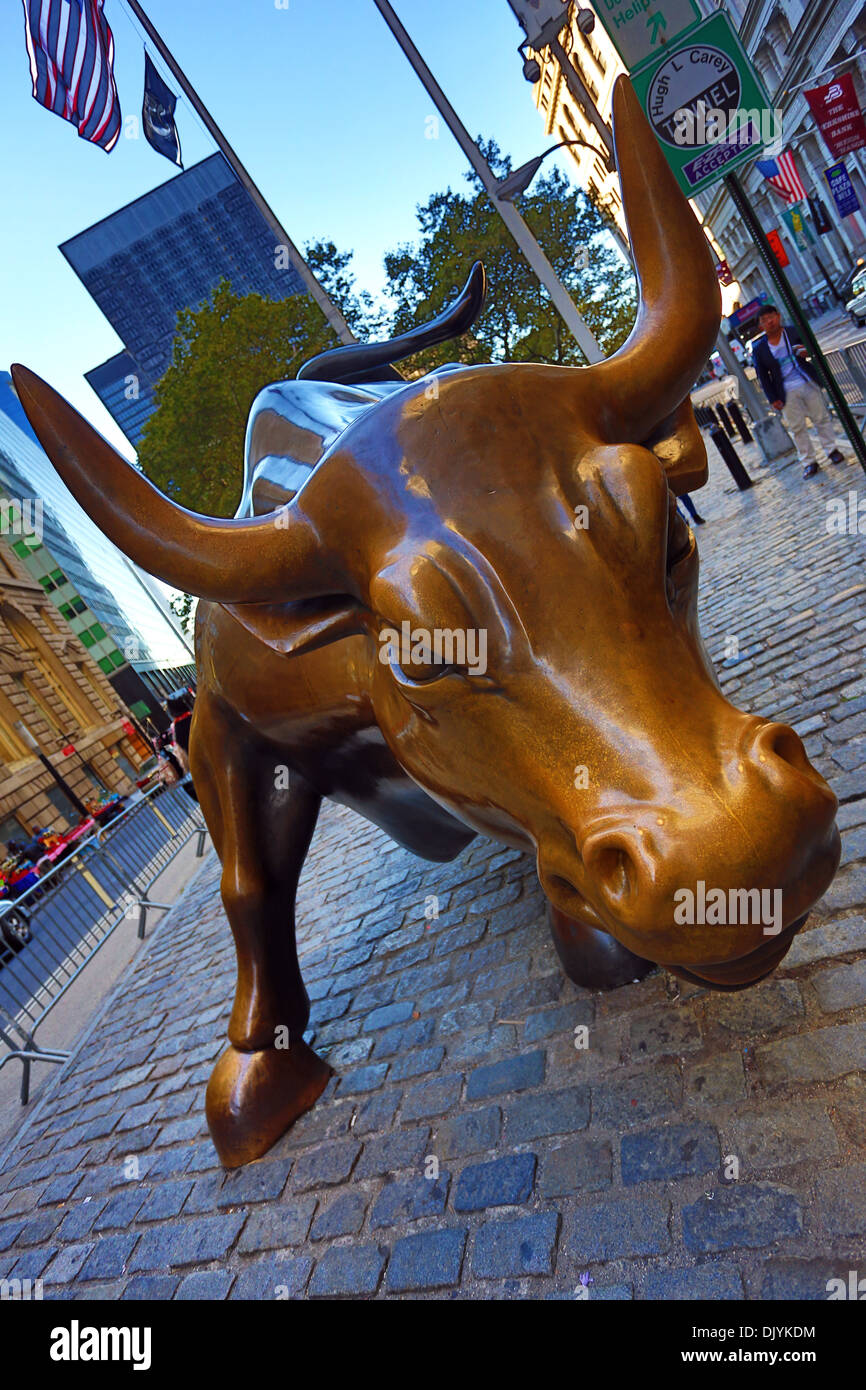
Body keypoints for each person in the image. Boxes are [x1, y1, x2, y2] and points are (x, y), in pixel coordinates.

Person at [752, 304, 846, 479]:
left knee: (821, 418)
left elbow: (811, 349)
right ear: (760, 326)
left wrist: (806, 352)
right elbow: (763, 376)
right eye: (764, 320)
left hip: (806, 381)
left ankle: (832, 450)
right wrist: (773, 398)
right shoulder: (760, 349)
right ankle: (809, 462)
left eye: (771, 317)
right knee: (797, 428)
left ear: (778, 316)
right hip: (785, 391)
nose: (769, 322)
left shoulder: (793, 332)